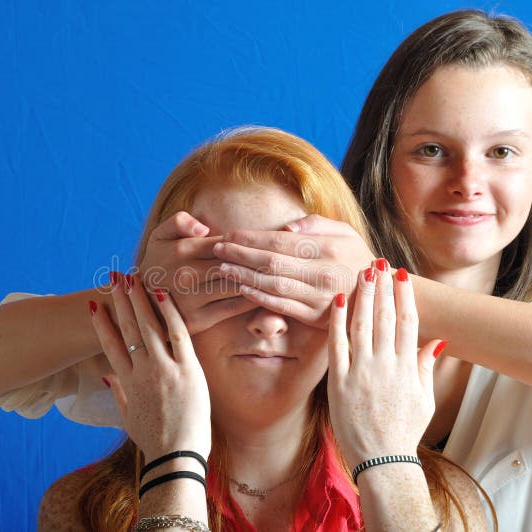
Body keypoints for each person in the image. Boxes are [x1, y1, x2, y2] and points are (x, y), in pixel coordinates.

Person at [198, 10, 532, 532]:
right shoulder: (298, 301)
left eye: (502, 152)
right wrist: (149, 296)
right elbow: (80, 370)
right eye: (432, 150)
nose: (468, 182)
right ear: (383, 157)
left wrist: (383, 292)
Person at [26, 128, 489, 529]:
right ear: (157, 303)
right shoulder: (81, 511)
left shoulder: (451, 504)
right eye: (224, 283)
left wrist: (389, 470)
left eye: (301, 286)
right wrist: (171, 470)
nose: (268, 321)